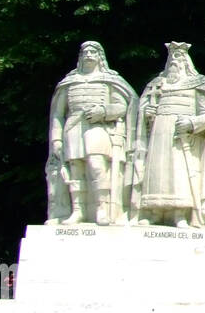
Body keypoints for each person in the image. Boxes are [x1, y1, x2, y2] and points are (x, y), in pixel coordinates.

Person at [47, 41, 138, 225]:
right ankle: (78, 211)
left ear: (99, 56)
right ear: (80, 57)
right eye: (85, 52)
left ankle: (102, 209)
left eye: (93, 52)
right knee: (76, 169)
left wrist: (104, 112)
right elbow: (57, 114)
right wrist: (56, 139)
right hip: (73, 128)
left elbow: (123, 106)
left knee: (97, 166)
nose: (89, 54)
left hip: (98, 127)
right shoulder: (69, 83)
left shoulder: (109, 80)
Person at [134, 42, 205, 228]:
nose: (175, 61)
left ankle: (179, 214)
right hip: (159, 134)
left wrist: (192, 123)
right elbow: (144, 111)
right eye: (172, 58)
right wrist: (148, 114)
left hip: (183, 137)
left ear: (187, 62)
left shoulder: (198, 85)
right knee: (156, 171)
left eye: (180, 58)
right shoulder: (157, 85)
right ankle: (154, 212)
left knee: (178, 173)